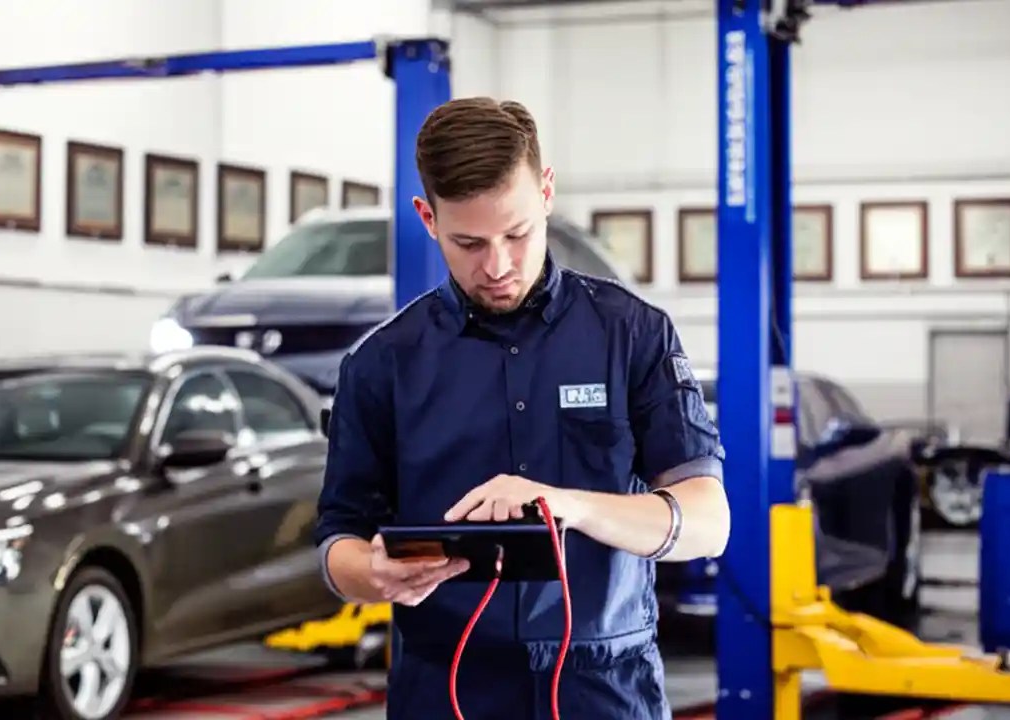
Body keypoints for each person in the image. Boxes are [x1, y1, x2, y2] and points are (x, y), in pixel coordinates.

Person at [313, 97, 730, 720]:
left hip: (605, 686)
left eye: (517, 233)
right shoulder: (382, 365)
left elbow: (708, 523)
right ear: (427, 218)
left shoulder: (633, 335)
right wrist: (369, 574)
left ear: (547, 192)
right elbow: (337, 539)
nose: (499, 265)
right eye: (469, 242)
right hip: (447, 684)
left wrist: (568, 505)